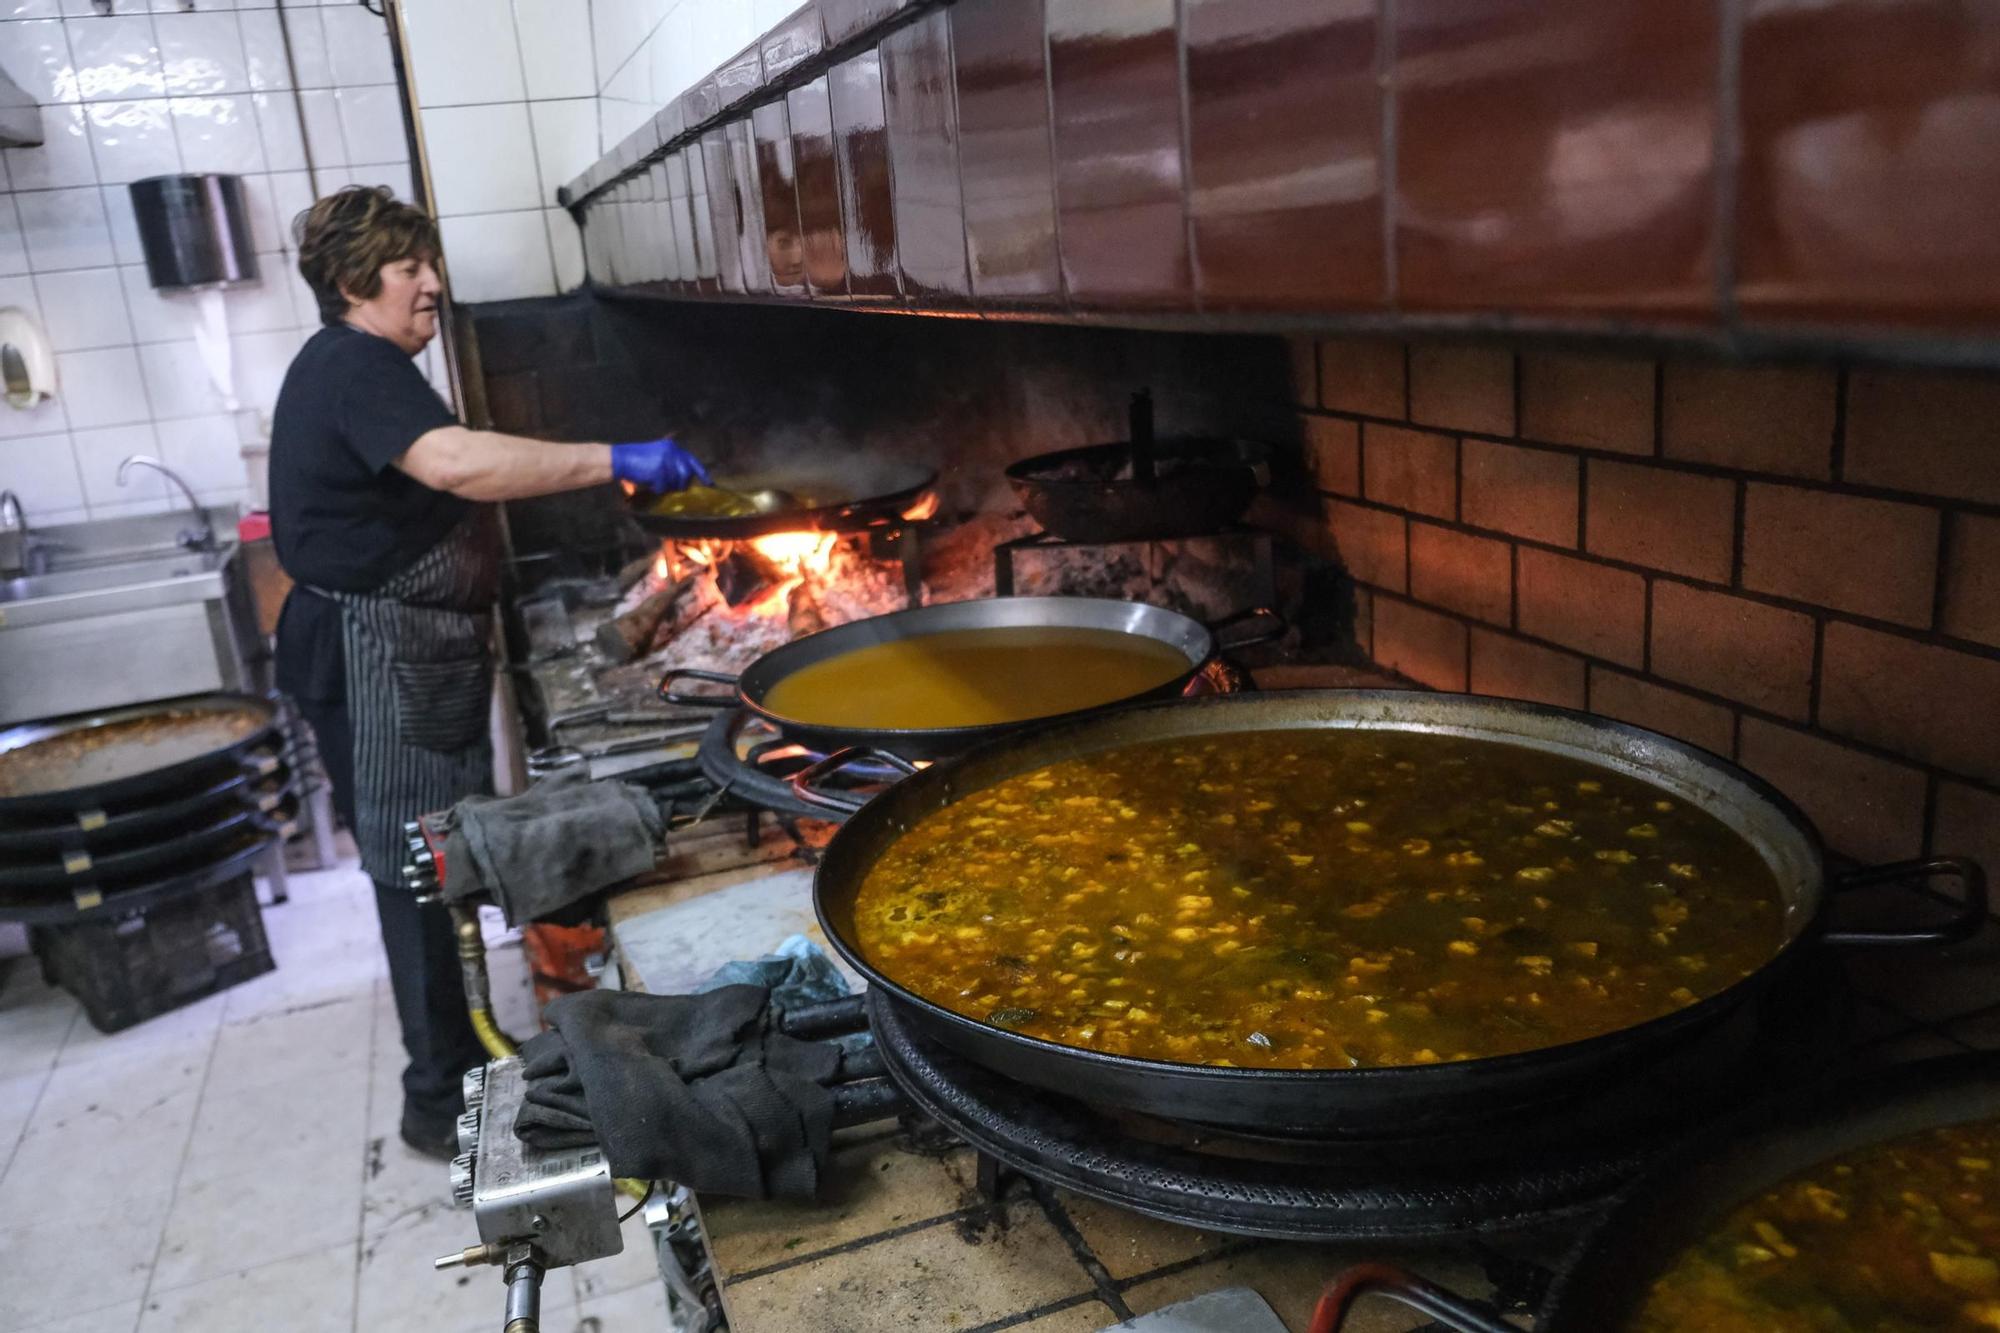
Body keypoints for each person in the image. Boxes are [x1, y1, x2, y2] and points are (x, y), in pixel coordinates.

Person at [268, 186, 707, 1159]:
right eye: (407, 266)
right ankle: (445, 1100)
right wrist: (616, 457)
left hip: (398, 648)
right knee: (418, 863)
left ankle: (458, 1067)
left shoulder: (362, 364)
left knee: (432, 854)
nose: (431, 281)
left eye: (429, 261)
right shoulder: (355, 361)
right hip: (378, 651)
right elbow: (459, 463)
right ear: (352, 280)